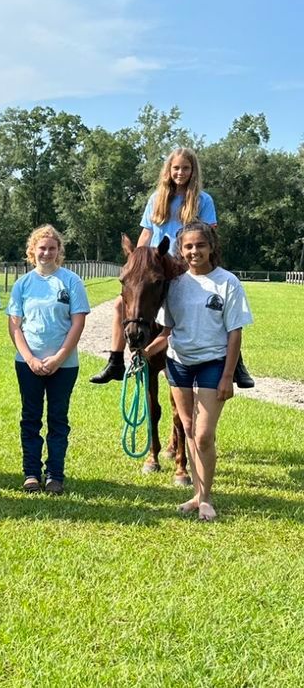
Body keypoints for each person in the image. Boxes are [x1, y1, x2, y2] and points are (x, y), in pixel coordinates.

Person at [90, 148, 254, 389]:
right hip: (156, 262)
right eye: (176, 168)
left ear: (192, 171)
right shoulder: (157, 198)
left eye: (185, 168)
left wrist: (196, 257)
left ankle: (236, 363)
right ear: (169, 170)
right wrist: (138, 260)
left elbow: (209, 233)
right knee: (119, 305)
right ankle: (115, 360)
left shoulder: (202, 200)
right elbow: (147, 232)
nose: (180, 172)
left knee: (214, 305)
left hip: (187, 262)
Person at [144, 221, 253, 522]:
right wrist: (146, 351)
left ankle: (205, 498)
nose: (194, 251)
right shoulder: (175, 285)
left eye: (200, 245)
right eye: (188, 246)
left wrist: (228, 376)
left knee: (203, 435)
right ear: (182, 250)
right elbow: (167, 331)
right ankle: (197, 495)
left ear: (211, 247)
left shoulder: (227, 282)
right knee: (189, 429)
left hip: (212, 363)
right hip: (179, 362)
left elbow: (234, 333)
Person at [7, 225, 90, 495]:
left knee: (58, 419)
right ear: (33, 251)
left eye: (52, 248)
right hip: (28, 364)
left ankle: (55, 474)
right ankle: (31, 472)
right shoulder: (23, 284)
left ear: (59, 252)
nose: (46, 253)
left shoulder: (71, 281)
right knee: (30, 418)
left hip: (64, 366)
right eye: (41, 248)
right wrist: (30, 358)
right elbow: (15, 326)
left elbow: (77, 323)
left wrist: (58, 357)